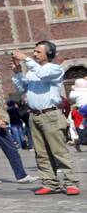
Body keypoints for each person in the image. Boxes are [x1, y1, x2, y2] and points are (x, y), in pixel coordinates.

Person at [12, 41, 79, 195]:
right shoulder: (31, 71)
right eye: (34, 52)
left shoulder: (55, 69)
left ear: (48, 54)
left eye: (38, 52)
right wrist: (17, 73)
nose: (34, 54)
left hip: (51, 114)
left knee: (58, 151)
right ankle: (50, 182)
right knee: (41, 152)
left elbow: (43, 74)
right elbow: (21, 88)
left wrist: (26, 59)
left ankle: (71, 182)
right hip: (34, 115)